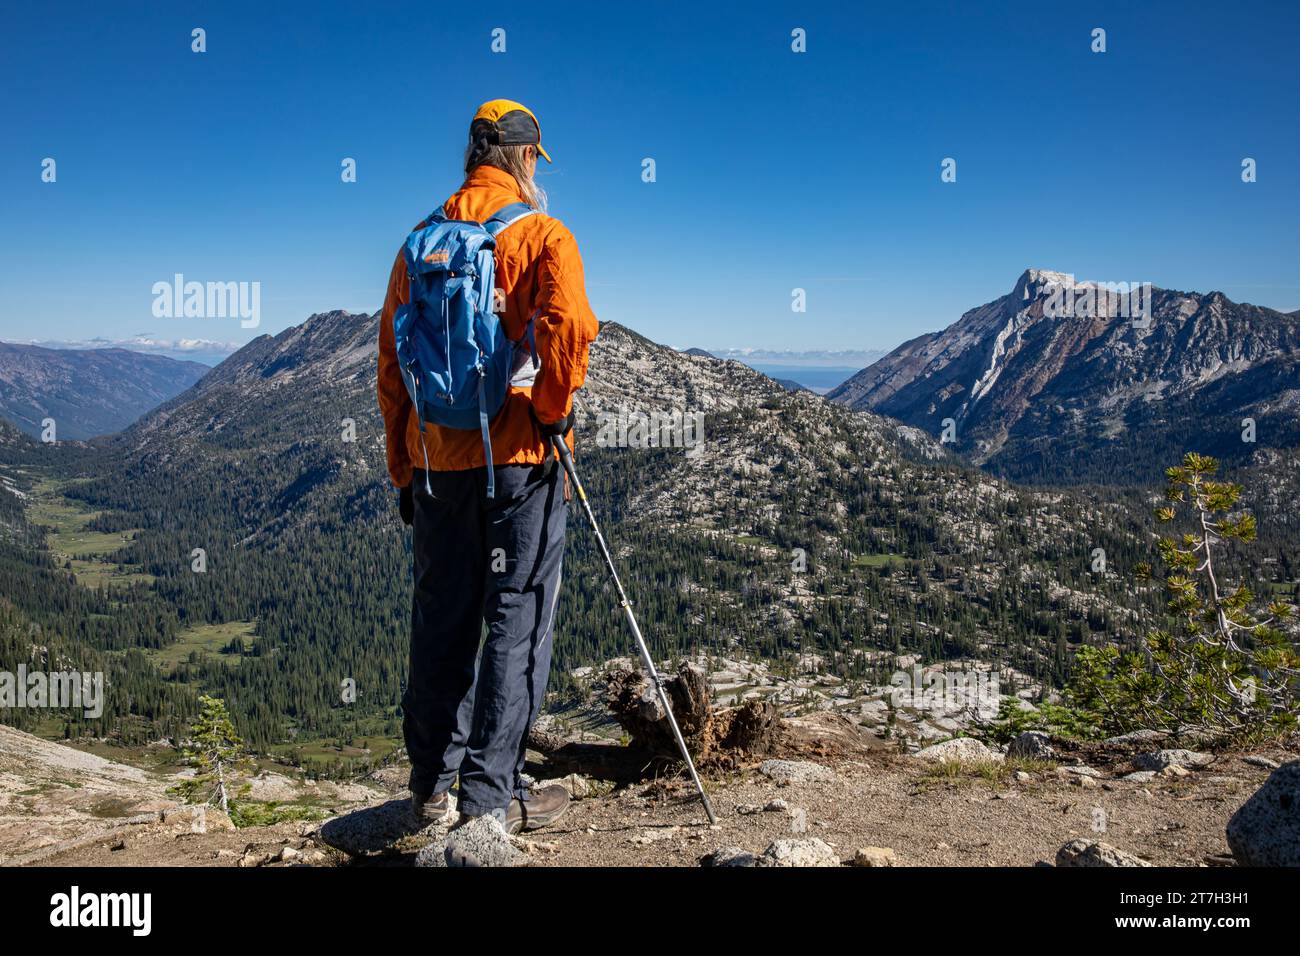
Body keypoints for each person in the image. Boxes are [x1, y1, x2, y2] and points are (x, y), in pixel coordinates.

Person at [376, 99, 599, 833]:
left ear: (473, 155)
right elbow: (569, 331)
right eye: (535, 160)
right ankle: (491, 800)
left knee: (442, 616)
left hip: (437, 462)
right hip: (518, 463)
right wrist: (552, 409)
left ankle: (427, 789)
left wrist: (402, 468)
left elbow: (390, 368)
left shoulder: (418, 245)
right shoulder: (541, 235)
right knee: (516, 615)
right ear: (523, 159)